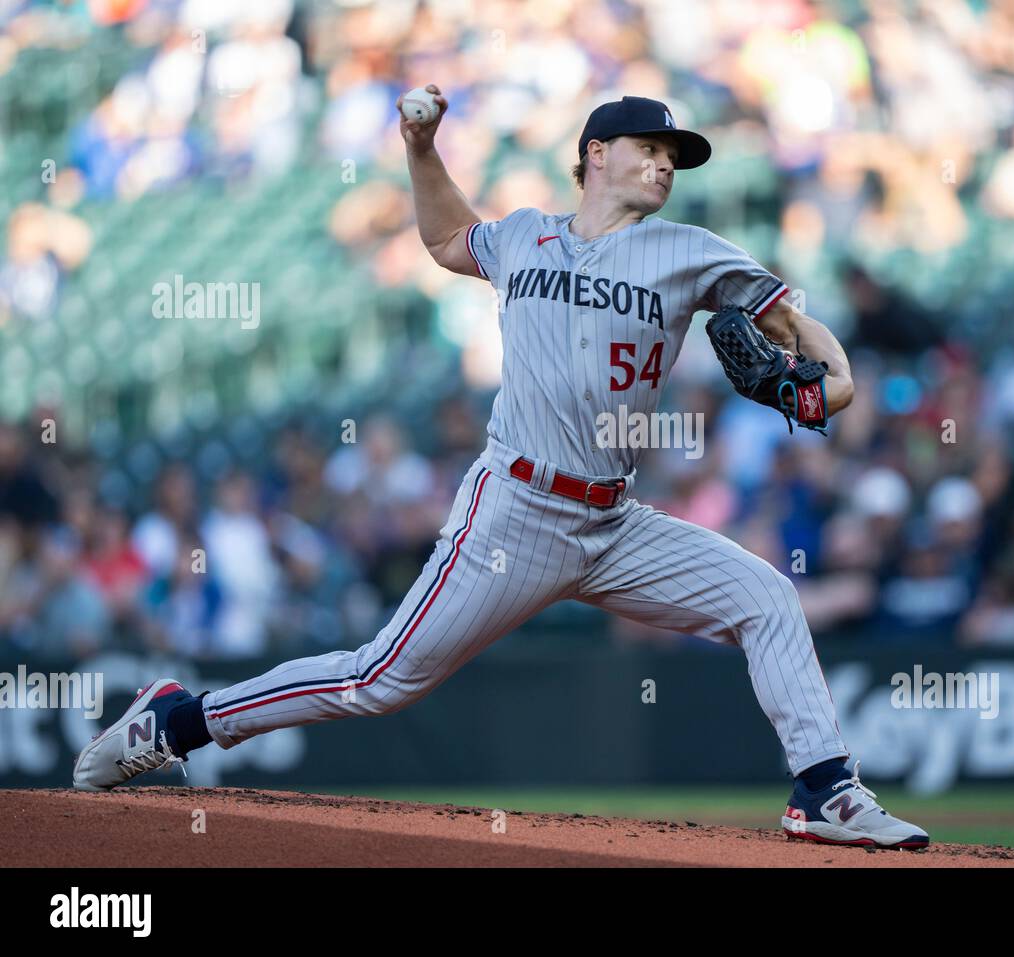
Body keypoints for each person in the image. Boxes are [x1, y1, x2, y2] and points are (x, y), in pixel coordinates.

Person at [73, 90, 928, 850]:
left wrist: (840, 377)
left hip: (616, 522)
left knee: (767, 597)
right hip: (513, 512)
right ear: (597, 155)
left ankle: (826, 792)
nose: (666, 164)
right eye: (651, 149)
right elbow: (447, 235)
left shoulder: (689, 251)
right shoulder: (525, 236)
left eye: (675, 157)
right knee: (380, 680)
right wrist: (420, 150)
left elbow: (789, 320)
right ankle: (176, 722)